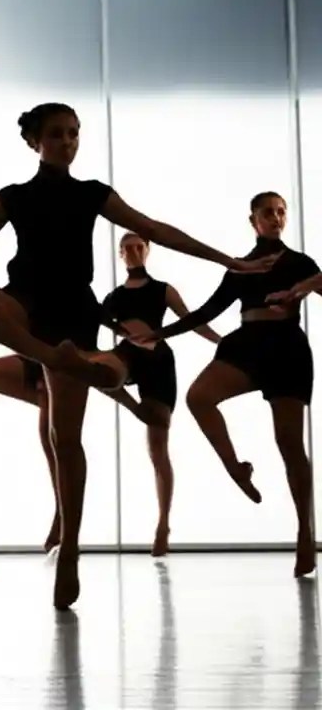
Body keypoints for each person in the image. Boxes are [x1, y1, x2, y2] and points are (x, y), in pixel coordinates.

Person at [0, 102, 276, 610]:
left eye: (74, 133)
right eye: (57, 134)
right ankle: (54, 357)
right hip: (23, 307)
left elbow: (155, 228)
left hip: (73, 314)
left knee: (62, 439)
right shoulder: (13, 197)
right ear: (34, 142)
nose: (68, 142)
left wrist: (227, 259)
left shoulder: (93, 194)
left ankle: (70, 549)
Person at [0, 232, 220, 556]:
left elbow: (191, 319)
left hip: (153, 361)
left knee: (157, 443)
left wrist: (221, 342)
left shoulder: (160, 291)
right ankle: (61, 515)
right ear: (120, 254)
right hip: (106, 358)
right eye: (127, 248)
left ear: (147, 251)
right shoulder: (110, 298)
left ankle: (163, 524)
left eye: (139, 247)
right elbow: (15, 314)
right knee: (50, 430)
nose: (134, 252)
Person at [139, 191, 317, 577]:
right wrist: (160, 332)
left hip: (287, 348)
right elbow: (206, 311)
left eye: (281, 212)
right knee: (198, 397)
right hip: (247, 344)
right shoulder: (239, 269)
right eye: (267, 212)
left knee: (289, 443)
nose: (275, 217)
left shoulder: (300, 262)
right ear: (253, 220)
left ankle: (305, 531)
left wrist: (302, 288)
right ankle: (236, 468)